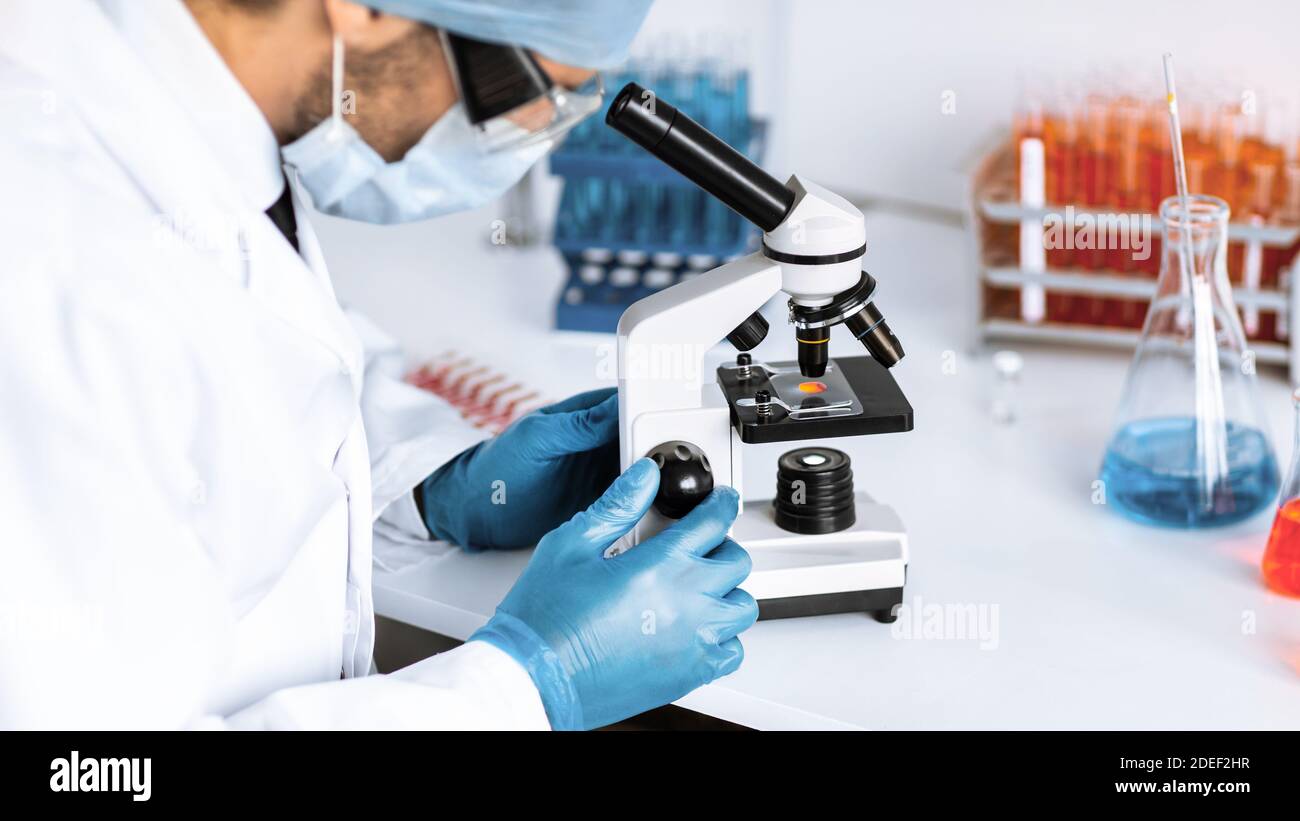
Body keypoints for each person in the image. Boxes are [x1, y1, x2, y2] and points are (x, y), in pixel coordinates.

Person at [0, 0, 757, 730]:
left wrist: (435, 492)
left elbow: (246, 419)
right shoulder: (50, 258)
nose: (532, 135)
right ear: (362, 9)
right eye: (531, 90)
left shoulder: (200, 121)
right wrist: (520, 687)